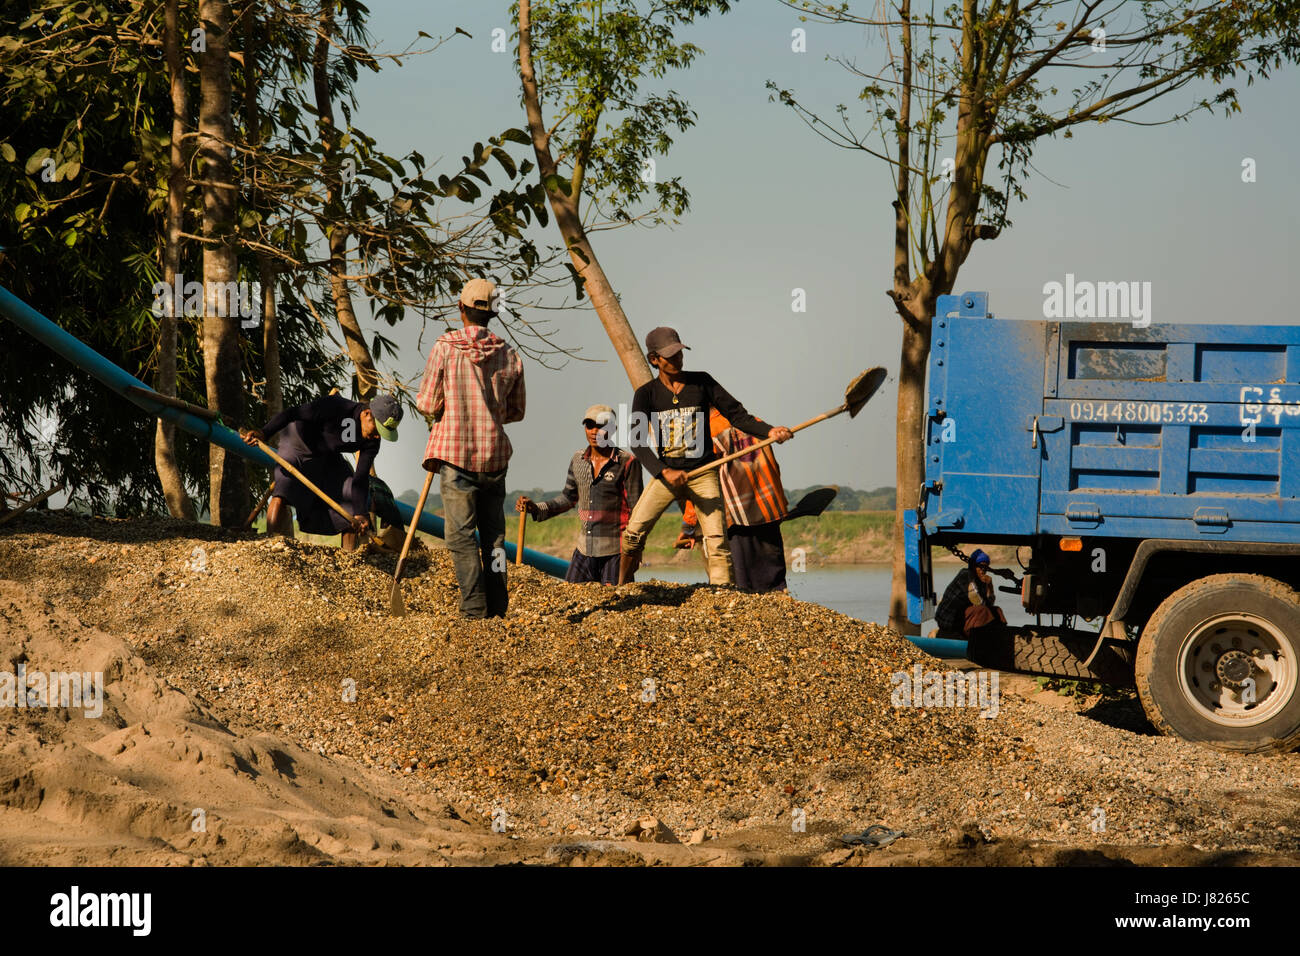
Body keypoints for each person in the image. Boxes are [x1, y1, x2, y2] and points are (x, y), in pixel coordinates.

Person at [619, 326, 792, 586]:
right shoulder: (646, 394)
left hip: (703, 473)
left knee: (716, 542)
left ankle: (721, 594)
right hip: (667, 475)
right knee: (633, 535)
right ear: (654, 360)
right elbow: (637, 442)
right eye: (670, 356)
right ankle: (621, 586)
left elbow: (738, 416)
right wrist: (663, 471)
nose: (677, 360)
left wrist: (770, 431)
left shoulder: (702, 382)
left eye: (679, 354)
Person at [416, 278, 525, 619]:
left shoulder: (445, 347)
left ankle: (474, 608)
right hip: (494, 457)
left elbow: (428, 404)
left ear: (460, 308)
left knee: (461, 536)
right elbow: (516, 411)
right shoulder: (509, 354)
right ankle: (498, 606)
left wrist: (450, 406)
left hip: (456, 455)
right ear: (493, 313)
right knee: (494, 538)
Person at [243, 392, 403, 552]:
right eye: (377, 428)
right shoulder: (335, 406)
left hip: (327, 455)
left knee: (350, 500)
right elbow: (292, 413)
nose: (377, 435)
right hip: (297, 443)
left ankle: (348, 559)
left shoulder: (372, 441)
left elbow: (360, 479)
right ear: (367, 414)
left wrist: (361, 513)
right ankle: (269, 547)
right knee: (283, 489)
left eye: (382, 433)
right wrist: (264, 432)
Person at [516, 404, 643, 585]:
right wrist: (536, 508)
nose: (594, 431)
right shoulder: (578, 460)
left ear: (613, 429)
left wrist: (635, 551)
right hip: (584, 550)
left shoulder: (627, 462)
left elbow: (638, 510)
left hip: (616, 551)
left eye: (601, 426)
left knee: (618, 605)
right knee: (573, 596)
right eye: (590, 425)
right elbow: (568, 498)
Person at [677, 408, 790, 594]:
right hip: (768, 506)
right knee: (774, 574)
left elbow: (698, 484)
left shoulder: (703, 433)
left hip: (736, 513)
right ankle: (780, 600)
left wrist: (689, 526)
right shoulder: (755, 421)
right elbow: (773, 465)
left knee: (742, 580)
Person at [935, 549, 1007, 640]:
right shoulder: (965, 575)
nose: (983, 570)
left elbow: (989, 605)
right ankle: (980, 640)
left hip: (962, 616)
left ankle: (1000, 637)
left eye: (985, 568)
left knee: (997, 610)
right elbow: (978, 602)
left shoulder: (980, 581)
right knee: (982, 611)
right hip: (948, 620)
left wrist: (990, 587)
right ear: (973, 566)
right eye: (980, 567)